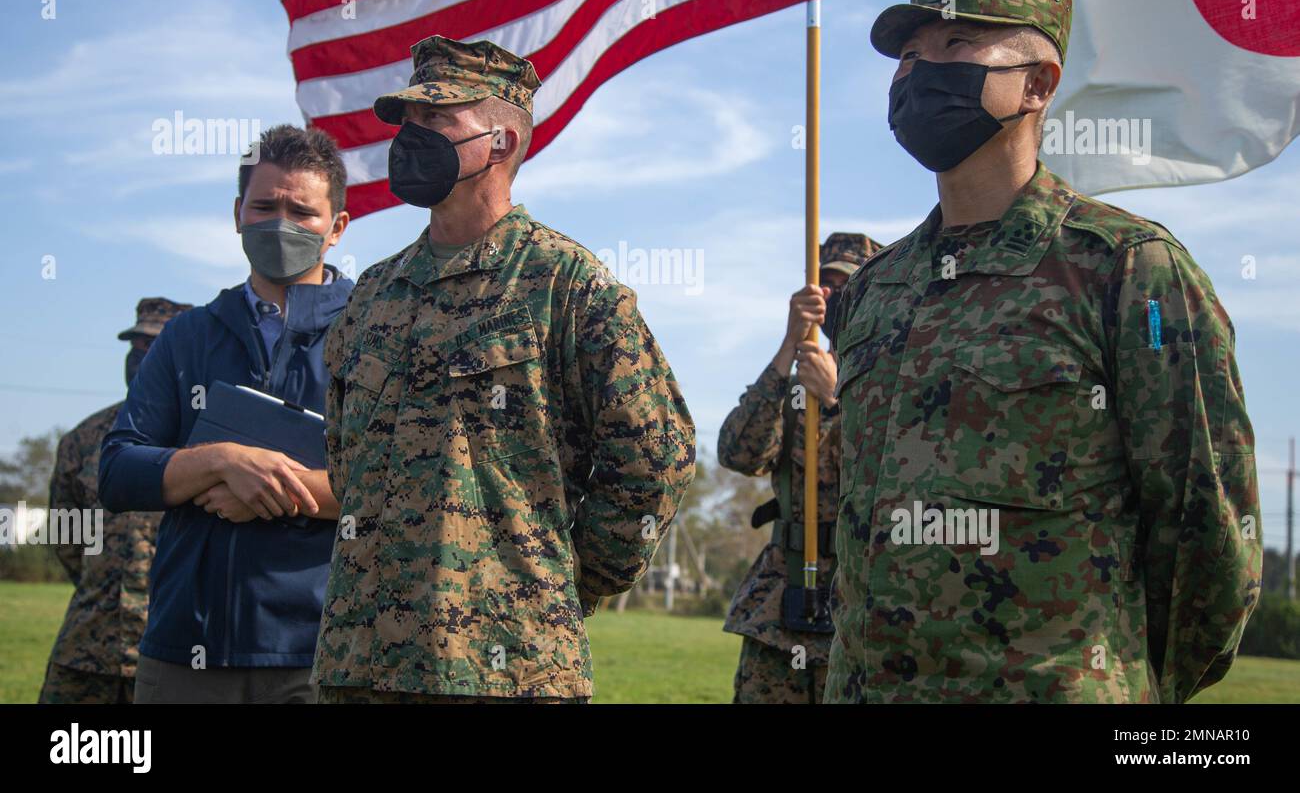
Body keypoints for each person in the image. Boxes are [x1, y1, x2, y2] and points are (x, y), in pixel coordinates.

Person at [827, 0, 1260, 703]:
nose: (920, 73)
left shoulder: (1127, 269)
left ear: (1038, 84)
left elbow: (1208, 533)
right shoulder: (876, 286)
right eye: (908, 57)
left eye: (958, 45)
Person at [313, 35, 696, 703]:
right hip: (358, 663)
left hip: (506, 669)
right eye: (409, 120)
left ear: (502, 141)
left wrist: (561, 582)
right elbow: (345, 456)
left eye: (438, 119)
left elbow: (655, 453)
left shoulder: (564, 282)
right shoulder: (372, 295)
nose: (413, 135)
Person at [99, 125, 353, 703]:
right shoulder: (188, 335)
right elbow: (117, 472)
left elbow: (404, 486)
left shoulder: (374, 333)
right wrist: (221, 459)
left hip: (324, 654)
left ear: (336, 228)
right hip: (187, 650)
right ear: (237, 213)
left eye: (302, 211)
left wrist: (267, 484)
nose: (280, 223)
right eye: (264, 206)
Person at [719, 233, 879, 704]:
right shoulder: (796, 387)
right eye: (822, 283)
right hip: (781, 606)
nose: (829, 294)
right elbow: (738, 453)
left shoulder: (893, 380)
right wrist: (789, 345)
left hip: (860, 608)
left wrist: (836, 397)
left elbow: (899, 467)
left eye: (843, 283)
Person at [39, 297, 192, 704]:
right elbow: (68, 541)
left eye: (153, 348)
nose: (140, 357)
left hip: (176, 654)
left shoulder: (206, 439)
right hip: (87, 652)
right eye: (136, 346)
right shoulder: (85, 439)